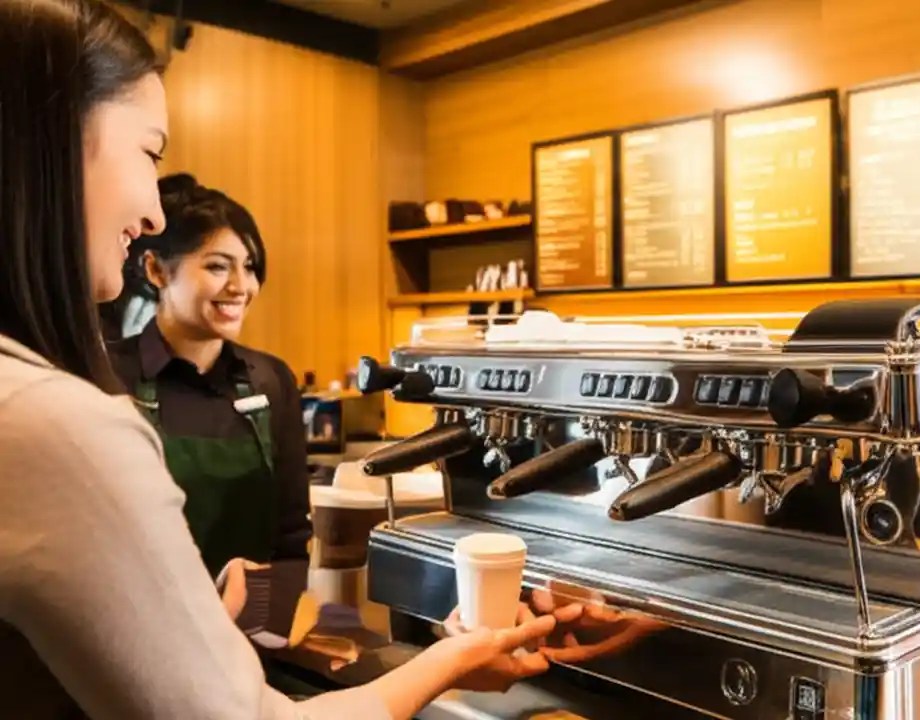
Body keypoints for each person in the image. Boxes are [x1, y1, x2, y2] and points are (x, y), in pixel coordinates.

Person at [0, 2, 577, 718]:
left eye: (248, 268)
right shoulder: (58, 422)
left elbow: (285, 547)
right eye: (150, 152)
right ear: (49, 144)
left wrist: (187, 615)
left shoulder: (256, 378)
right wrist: (450, 663)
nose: (152, 209)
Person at [108, 174, 310, 577]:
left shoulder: (270, 380)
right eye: (218, 266)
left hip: (251, 628)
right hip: (140, 624)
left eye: (249, 268)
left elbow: (290, 539)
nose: (241, 286)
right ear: (156, 271)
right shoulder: (108, 377)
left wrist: (267, 633)